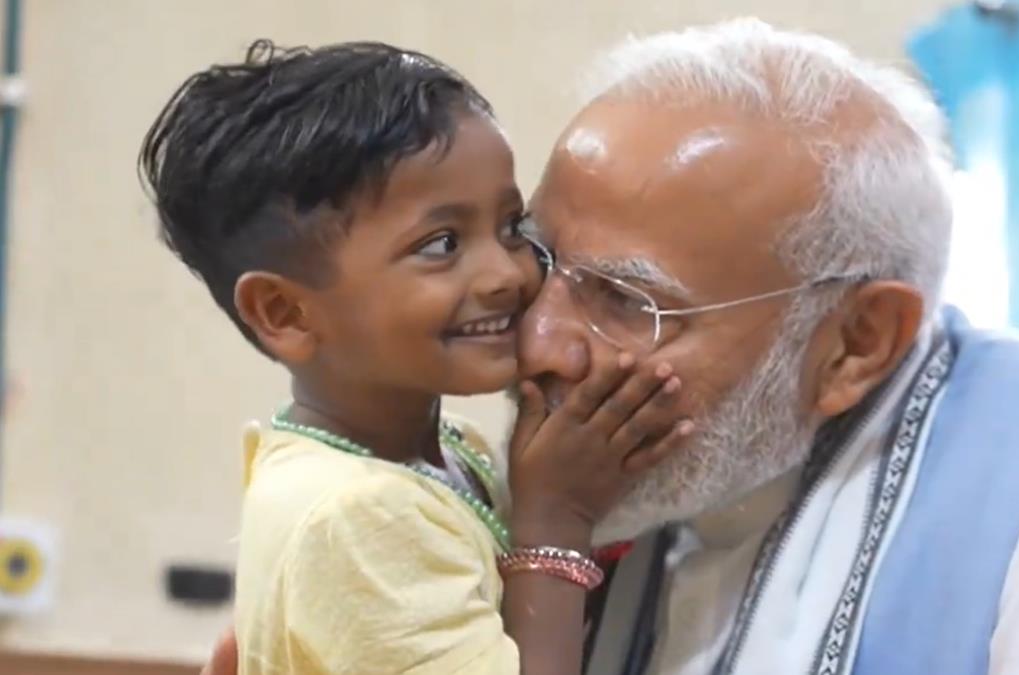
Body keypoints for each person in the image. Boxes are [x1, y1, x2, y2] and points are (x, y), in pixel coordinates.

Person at [203, 19, 1019, 675]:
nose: (538, 342)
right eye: (544, 256)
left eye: (629, 304)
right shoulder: (520, 481)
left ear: (858, 341)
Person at [141, 40, 694, 675]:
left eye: (512, 227)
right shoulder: (354, 517)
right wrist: (555, 520)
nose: (506, 273)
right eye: (441, 243)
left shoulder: (450, 452)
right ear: (284, 313)